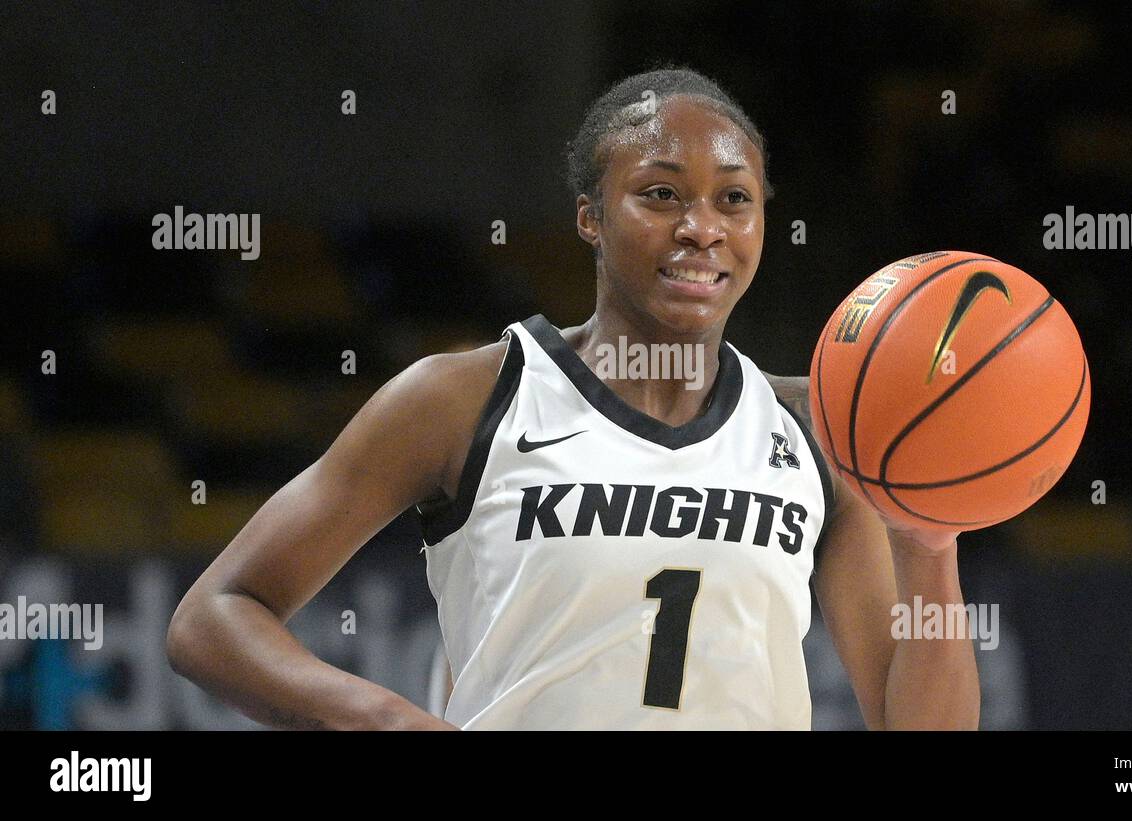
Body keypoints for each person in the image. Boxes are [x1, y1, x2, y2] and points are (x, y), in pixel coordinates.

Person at [167, 65, 979, 730]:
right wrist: (383, 717)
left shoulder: (821, 426)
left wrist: (932, 545)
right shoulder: (468, 398)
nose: (702, 226)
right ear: (590, 217)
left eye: (734, 197)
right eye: (661, 193)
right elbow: (214, 615)